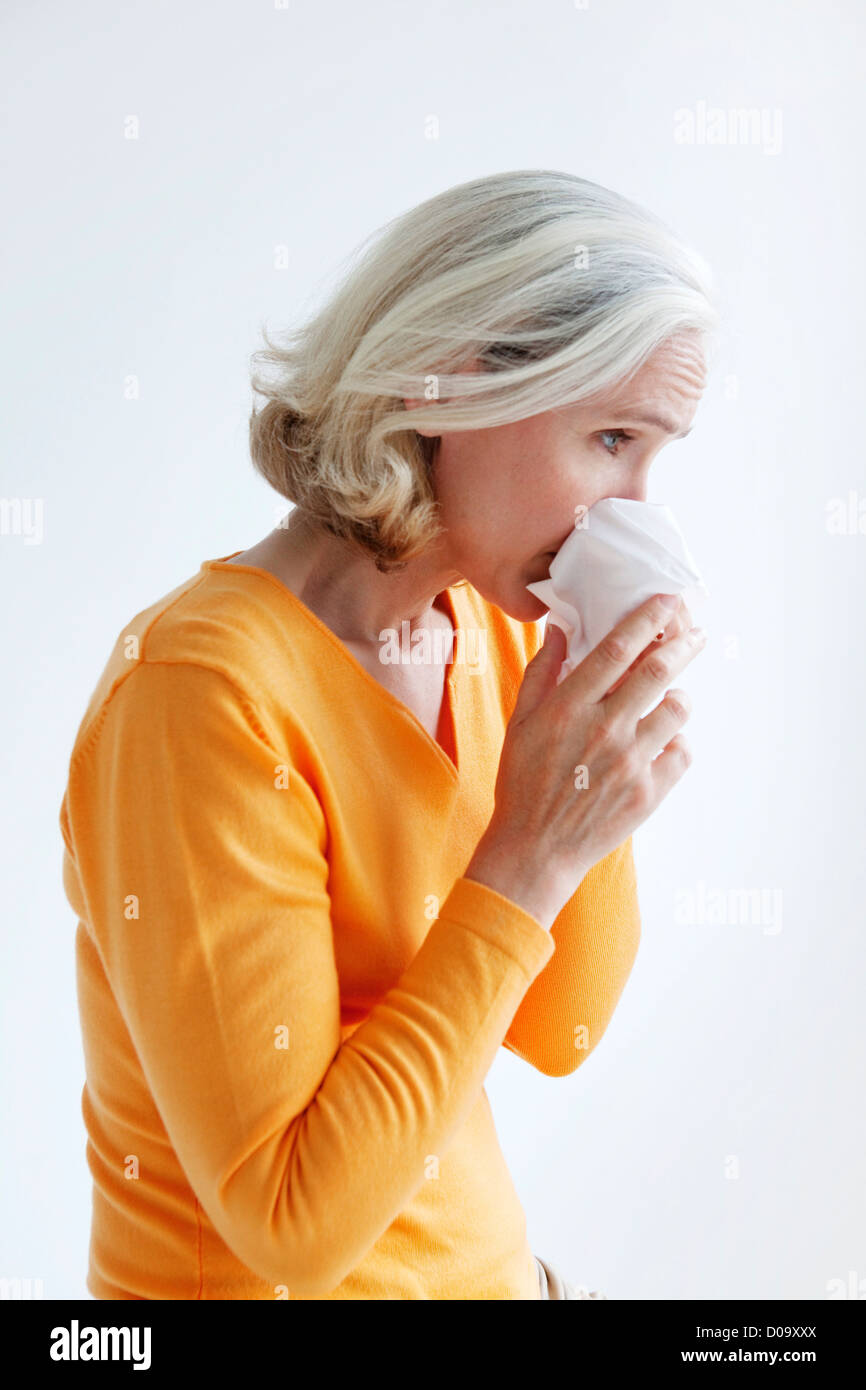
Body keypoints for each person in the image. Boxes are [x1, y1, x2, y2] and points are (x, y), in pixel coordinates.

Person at [59, 169, 716, 1300]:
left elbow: (557, 1031)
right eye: (610, 437)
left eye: (656, 456)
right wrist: (529, 850)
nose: (636, 510)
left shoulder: (495, 629)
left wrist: (593, 789)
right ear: (448, 383)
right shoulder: (204, 692)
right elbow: (291, 1225)